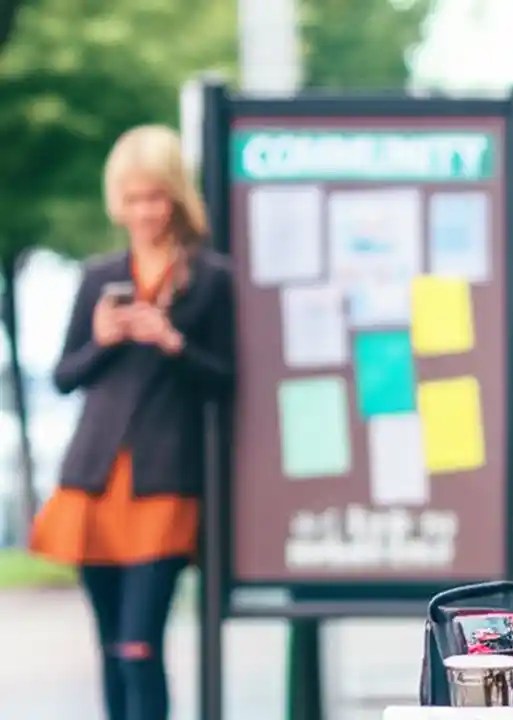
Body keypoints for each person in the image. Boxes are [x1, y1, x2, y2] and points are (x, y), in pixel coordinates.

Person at [29, 124, 234, 720]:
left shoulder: (211, 278)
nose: (145, 211)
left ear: (176, 197)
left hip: (164, 483)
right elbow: (66, 376)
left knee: (141, 645)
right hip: (93, 482)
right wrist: (103, 339)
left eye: (156, 197)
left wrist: (172, 342)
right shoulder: (99, 277)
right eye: (134, 198)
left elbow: (227, 380)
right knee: (112, 649)